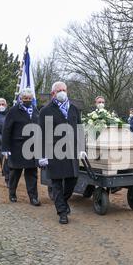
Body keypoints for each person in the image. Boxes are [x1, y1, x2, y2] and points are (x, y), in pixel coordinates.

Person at [39, 82, 82, 224]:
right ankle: (62, 212)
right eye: (59, 90)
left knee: (72, 180)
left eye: (64, 90)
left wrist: (82, 149)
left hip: (72, 152)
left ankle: (63, 201)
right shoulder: (46, 111)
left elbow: (80, 129)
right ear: (53, 93)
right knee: (57, 183)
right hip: (54, 152)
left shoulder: (74, 109)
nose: (62, 92)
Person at [2, 88, 41, 207]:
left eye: (29, 99)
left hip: (32, 148)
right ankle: (12, 192)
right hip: (17, 147)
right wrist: (5, 148)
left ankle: (33, 197)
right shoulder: (13, 111)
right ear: (21, 99)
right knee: (16, 172)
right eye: (25, 99)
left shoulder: (35, 110)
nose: (27, 100)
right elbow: (6, 130)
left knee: (32, 173)